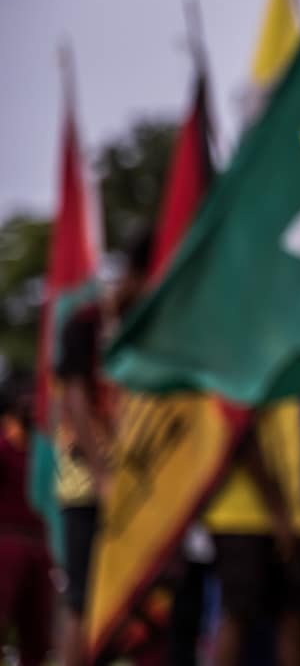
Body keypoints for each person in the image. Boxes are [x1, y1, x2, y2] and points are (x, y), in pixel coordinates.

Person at [53, 231, 151, 666]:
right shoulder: (85, 322)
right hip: (83, 481)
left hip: (131, 484)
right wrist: (102, 473)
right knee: (80, 596)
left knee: (122, 598)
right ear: (135, 273)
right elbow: (74, 401)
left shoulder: (142, 327)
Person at [202, 398, 300, 666]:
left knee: (294, 614)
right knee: (238, 615)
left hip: (294, 511)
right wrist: (278, 511)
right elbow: (240, 431)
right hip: (244, 514)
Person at [0, 367, 53, 666]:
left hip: (41, 547)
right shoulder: (4, 446)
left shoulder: (44, 449)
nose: (31, 404)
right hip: (6, 543)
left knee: (37, 636)